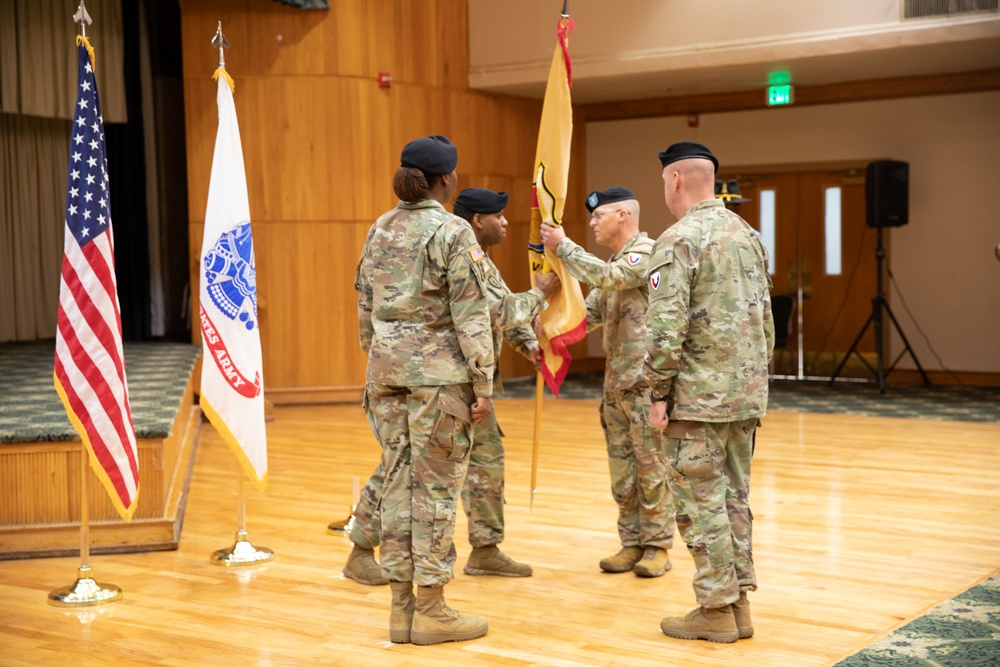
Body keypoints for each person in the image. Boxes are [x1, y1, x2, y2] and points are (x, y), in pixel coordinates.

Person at [344, 188, 559, 586]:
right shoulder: (453, 247)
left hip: (464, 382)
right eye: (499, 216)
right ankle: (360, 547)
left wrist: (528, 344)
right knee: (401, 466)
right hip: (442, 385)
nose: (506, 223)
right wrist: (541, 295)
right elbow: (499, 310)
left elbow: (494, 316)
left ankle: (486, 549)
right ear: (479, 221)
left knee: (487, 464)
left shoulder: (477, 257)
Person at [354, 134, 494, 646]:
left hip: (385, 375)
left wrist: (380, 361)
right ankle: (431, 609)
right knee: (434, 490)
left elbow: (365, 307)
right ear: (447, 180)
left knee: (397, 483)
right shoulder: (453, 231)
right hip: (439, 383)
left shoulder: (380, 228)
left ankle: (401, 610)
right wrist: (484, 384)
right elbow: (472, 315)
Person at [644, 142, 774, 643]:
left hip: (697, 399)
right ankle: (737, 604)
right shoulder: (747, 234)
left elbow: (665, 327)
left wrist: (658, 393)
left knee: (701, 504)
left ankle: (716, 609)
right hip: (744, 395)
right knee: (733, 499)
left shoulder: (679, 239)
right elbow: (766, 322)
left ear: (675, 180)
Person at [539, 186, 675, 578]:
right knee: (622, 473)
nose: (593, 223)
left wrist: (564, 247)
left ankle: (657, 546)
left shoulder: (644, 254)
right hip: (616, 387)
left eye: (599, 216)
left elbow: (611, 277)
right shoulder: (614, 265)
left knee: (651, 470)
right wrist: (547, 335)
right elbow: (586, 317)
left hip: (644, 387)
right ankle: (631, 542)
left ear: (623, 216)